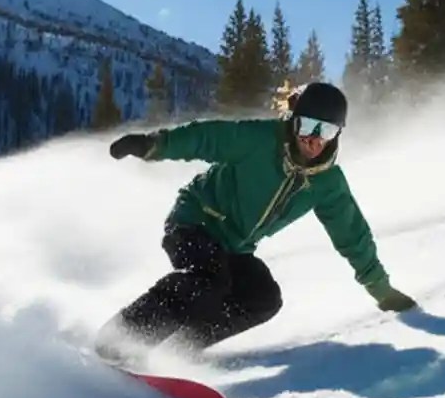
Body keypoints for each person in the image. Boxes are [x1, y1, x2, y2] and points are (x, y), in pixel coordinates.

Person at [94, 81, 416, 365]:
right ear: (295, 121)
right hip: (194, 220)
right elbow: (206, 138)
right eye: (309, 126)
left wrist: (381, 290)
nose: (314, 139)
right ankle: (123, 338)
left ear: (337, 134)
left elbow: (352, 236)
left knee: (262, 298)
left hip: (235, 246)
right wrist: (155, 145)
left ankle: (178, 350)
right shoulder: (260, 140)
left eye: (326, 131)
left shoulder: (328, 183)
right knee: (208, 278)